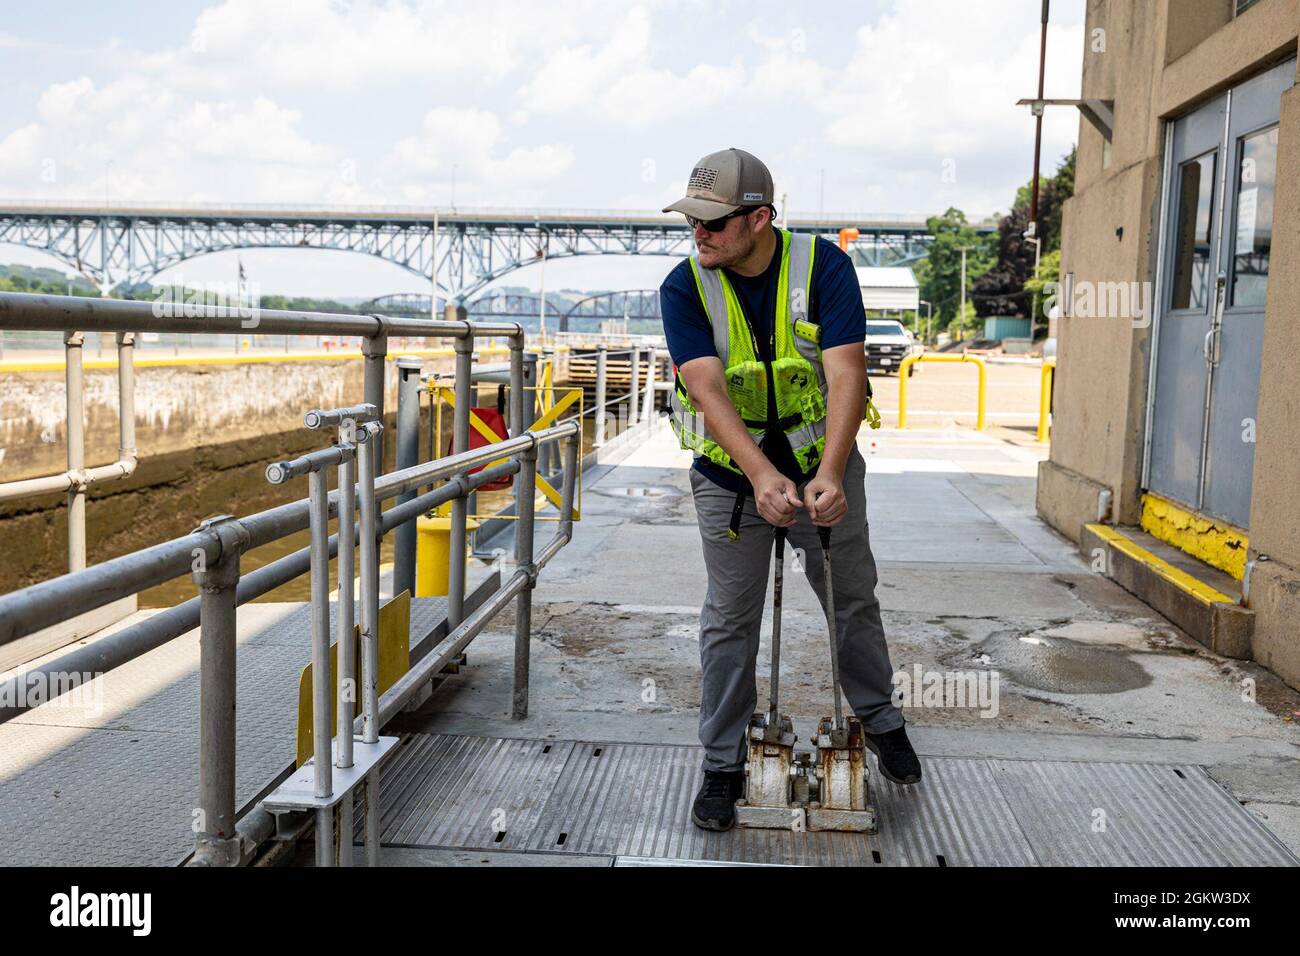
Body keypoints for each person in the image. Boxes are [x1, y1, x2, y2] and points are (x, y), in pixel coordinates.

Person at [659, 148, 921, 832]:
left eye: (715, 222)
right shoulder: (684, 285)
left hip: (820, 462)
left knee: (852, 597)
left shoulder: (824, 267)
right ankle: (722, 763)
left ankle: (880, 717)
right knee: (729, 620)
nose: (700, 233)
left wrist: (830, 472)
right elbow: (706, 387)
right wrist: (758, 474)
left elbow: (845, 375)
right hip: (731, 476)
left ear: (760, 218)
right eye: (694, 219)